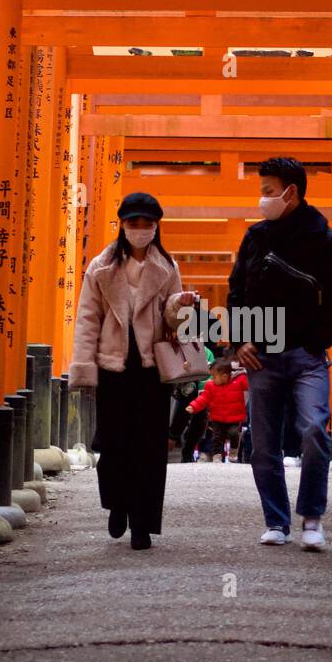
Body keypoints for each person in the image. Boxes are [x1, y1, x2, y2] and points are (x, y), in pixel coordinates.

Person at [226, 156, 332, 550]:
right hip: (262, 354)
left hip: (306, 355)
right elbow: (237, 292)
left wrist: (318, 340)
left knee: (315, 430)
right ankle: (276, 521)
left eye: (268, 192)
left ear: (291, 192)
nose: (263, 199)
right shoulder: (255, 238)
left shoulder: (329, 241)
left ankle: (312, 518)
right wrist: (241, 341)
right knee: (263, 442)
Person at [68, 192, 199, 549]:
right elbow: (86, 319)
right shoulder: (101, 267)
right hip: (112, 366)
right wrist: (83, 367)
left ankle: (142, 524)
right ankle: (117, 504)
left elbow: (178, 319)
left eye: (146, 223)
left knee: (150, 448)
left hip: (151, 369)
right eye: (133, 223)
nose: (139, 229)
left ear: (156, 227)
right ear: (122, 225)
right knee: (112, 444)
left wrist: (181, 307)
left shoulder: (167, 267)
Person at [185, 358, 249, 462]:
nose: (212, 378)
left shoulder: (239, 381)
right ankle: (217, 456)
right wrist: (194, 406)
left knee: (234, 433)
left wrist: (245, 373)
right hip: (217, 417)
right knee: (217, 437)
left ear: (224, 376)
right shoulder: (210, 385)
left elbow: (250, 385)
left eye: (214, 376)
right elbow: (203, 398)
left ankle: (233, 450)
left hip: (234, 417)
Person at [167, 344, 216, 462]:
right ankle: (173, 436)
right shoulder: (179, 348)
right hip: (185, 388)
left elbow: (211, 372)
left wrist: (204, 391)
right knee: (181, 414)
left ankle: (188, 451)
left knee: (200, 422)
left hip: (202, 391)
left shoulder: (206, 351)